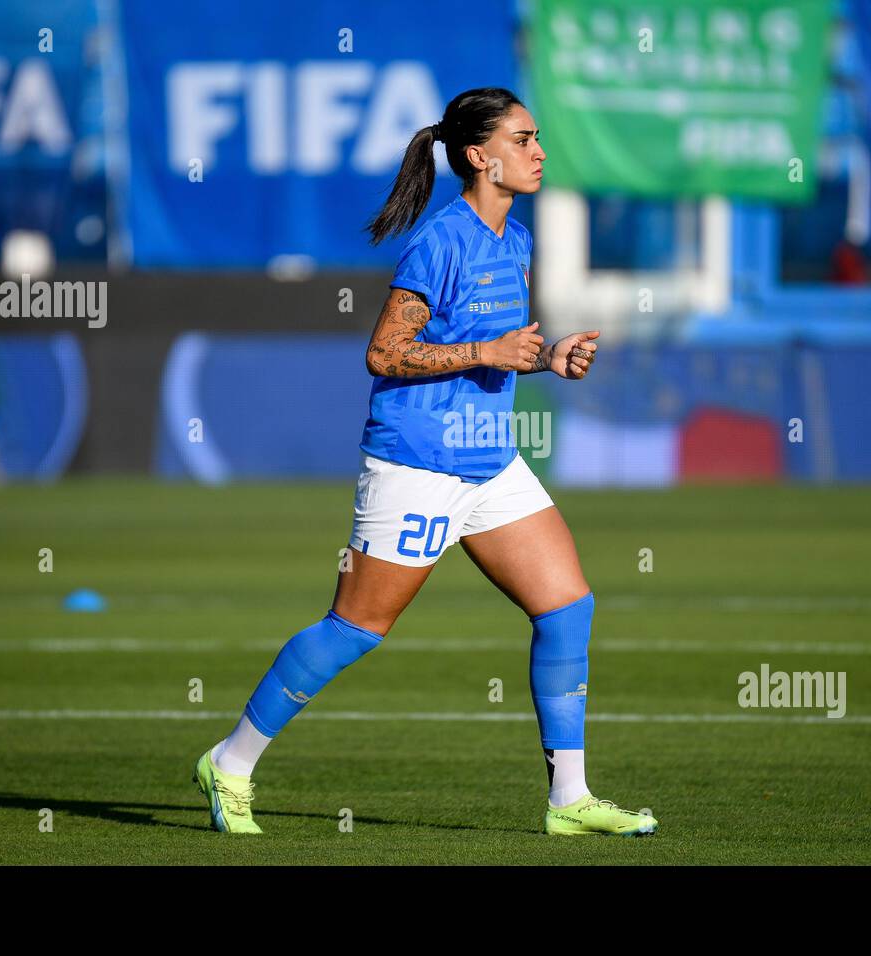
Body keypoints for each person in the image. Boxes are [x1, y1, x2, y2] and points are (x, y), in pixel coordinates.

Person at [193, 87, 657, 838]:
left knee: (568, 608)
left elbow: (496, 347)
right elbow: (384, 353)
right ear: (480, 156)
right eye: (522, 139)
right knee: (355, 629)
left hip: (491, 463)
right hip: (417, 464)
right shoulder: (440, 241)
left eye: (537, 138)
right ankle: (231, 761)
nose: (539, 152)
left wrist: (547, 356)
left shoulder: (516, 239)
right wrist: (487, 351)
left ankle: (569, 799)